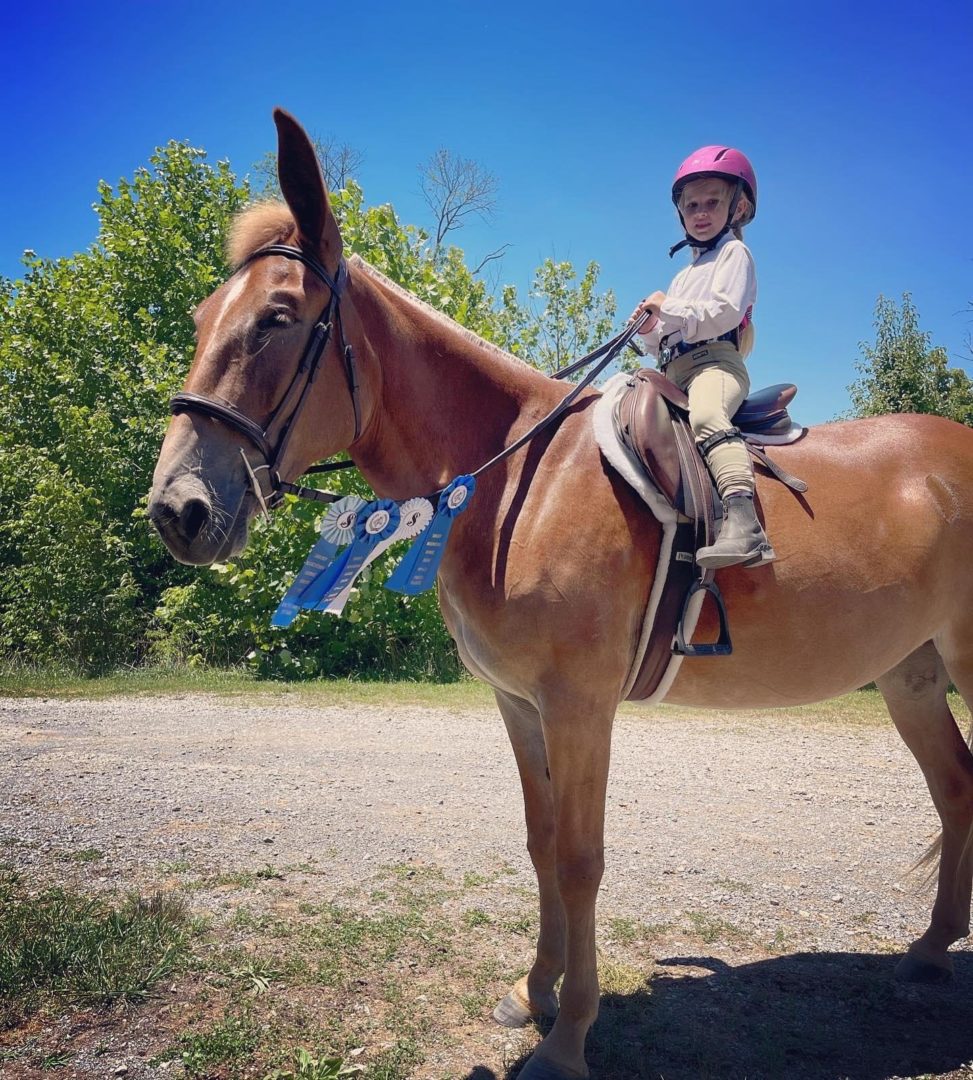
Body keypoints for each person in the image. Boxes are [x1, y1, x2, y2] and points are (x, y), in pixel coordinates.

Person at [631, 145, 774, 569]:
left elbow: (723, 313)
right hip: (673, 373)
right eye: (692, 205)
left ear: (738, 207)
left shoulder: (735, 255)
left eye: (712, 202)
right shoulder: (683, 276)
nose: (700, 213)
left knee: (708, 415)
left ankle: (745, 524)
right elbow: (663, 340)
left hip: (715, 365)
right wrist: (649, 328)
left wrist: (668, 307)